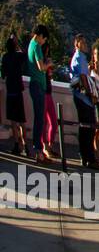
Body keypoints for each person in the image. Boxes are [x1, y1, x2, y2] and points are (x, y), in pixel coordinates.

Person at [68, 35, 99, 170]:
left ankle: (84, 156)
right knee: (89, 128)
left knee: (84, 128)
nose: (86, 44)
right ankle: (89, 158)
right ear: (77, 44)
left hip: (79, 96)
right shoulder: (80, 57)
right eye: (83, 42)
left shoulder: (77, 58)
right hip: (83, 98)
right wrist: (90, 93)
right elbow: (83, 77)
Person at [26, 25, 55, 165]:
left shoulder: (31, 45)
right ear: (40, 36)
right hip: (38, 86)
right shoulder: (36, 46)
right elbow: (41, 67)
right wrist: (48, 63)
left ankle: (40, 151)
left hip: (36, 85)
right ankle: (38, 152)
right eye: (44, 38)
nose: (44, 41)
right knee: (39, 120)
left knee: (40, 120)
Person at [2, 35, 28, 155]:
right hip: (18, 91)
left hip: (11, 91)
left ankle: (17, 145)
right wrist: (18, 43)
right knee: (21, 120)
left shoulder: (5, 57)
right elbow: (25, 54)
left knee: (13, 121)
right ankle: (26, 146)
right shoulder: (19, 56)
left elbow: (3, 74)